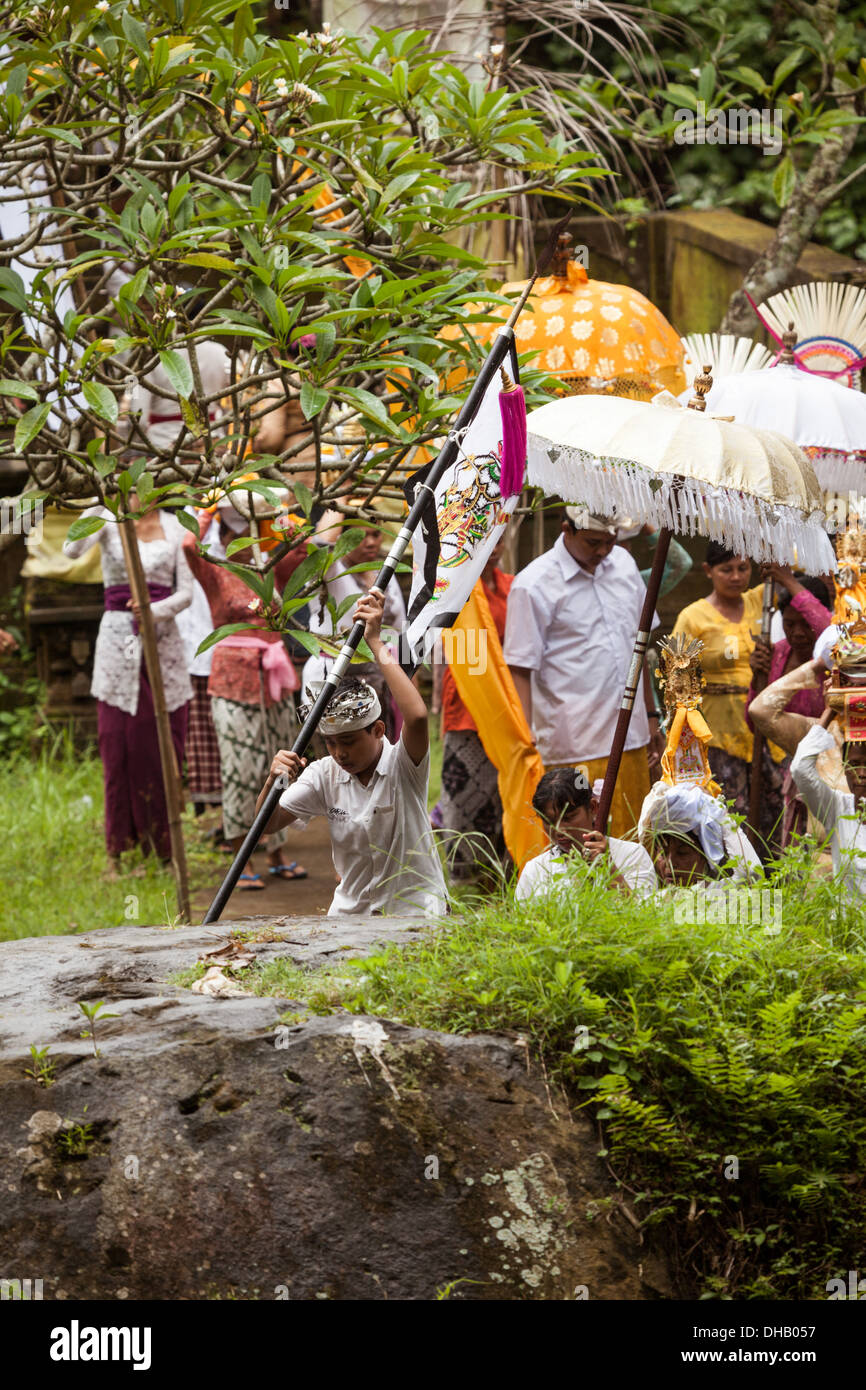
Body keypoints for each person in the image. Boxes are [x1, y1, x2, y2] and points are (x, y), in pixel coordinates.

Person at [257, 589, 447, 917]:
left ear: (378, 731)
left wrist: (375, 642)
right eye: (331, 743)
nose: (339, 753)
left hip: (415, 913)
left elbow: (416, 716)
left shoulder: (404, 765)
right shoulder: (323, 774)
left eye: (348, 742)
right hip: (350, 916)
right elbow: (265, 826)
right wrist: (273, 782)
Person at [504, 507, 665, 839]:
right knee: (580, 848)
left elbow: (639, 646)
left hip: (632, 738)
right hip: (574, 745)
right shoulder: (533, 584)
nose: (603, 551)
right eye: (593, 542)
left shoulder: (623, 565)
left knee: (636, 842)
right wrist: (525, 735)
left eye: (610, 541)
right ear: (567, 529)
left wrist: (651, 715)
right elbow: (519, 666)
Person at [182, 497, 308, 889]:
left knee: (282, 765)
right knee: (239, 770)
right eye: (241, 526)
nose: (248, 533)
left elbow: (302, 543)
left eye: (255, 526)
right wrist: (211, 506)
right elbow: (188, 545)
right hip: (232, 681)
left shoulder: (274, 570)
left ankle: (276, 852)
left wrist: (276, 504)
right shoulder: (217, 571)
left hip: (274, 681)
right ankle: (242, 857)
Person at [63, 498, 192, 873]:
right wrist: (93, 501)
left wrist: (155, 611)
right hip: (118, 642)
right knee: (116, 745)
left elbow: (186, 593)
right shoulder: (106, 518)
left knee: (155, 747)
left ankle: (163, 850)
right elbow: (71, 550)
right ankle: (117, 851)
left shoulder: (177, 525)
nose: (137, 492)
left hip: (161, 643)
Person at [671, 543, 786, 849]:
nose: (736, 577)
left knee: (775, 808)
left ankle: (778, 880)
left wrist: (764, 539)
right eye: (726, 570)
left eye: (743, 568)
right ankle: (737, 877)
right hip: (719, 729)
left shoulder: (762, 599)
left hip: (764, 720)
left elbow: (793, 566)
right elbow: (676, 678)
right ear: (708, 571)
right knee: (731, 811)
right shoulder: (692, 617)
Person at [439, 536, 513, 881]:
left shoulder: (513, 587)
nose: (492, 546)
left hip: (508, 710)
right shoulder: (452, 588)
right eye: (484, 537)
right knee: (464, 798)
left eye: (498, 538)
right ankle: (465, 881)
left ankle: (504, 877)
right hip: (466, 711)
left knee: (506, 796)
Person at [745, 569, 833, 845]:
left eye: (805, 624)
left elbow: (828, 629)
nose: (797, 633)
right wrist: (755, 678)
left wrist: (788, 581)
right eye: (789, 623)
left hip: (836, 763)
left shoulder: (838, 654)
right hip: (789, 766)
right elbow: (755, 720)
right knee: (793, 848)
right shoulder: (777, 653)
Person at [306, 522, 407, 739]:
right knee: (340, 752)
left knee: (380, 753)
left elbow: (400, 634)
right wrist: (343, 489)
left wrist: (407, 683)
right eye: (361, 536)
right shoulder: (330, 571)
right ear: (345, 539)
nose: (371, 542)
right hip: (335, 676)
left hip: (382, 679)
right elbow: (321, 544)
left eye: (376, 534)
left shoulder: (384, 572)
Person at [790, 634, 866, 899]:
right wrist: (832, 707)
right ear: (844, 768)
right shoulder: (837, 808)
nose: (862, 773)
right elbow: (800, 769)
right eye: (855, 764)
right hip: (845, 932)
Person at [515, 767, 656, 901]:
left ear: (593, 807)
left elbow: (645, 915)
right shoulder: (535, 871)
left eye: (568, 818)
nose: (559, 830)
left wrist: (608, 868)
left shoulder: (632, 855)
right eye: (549, 821)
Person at [638, 780, 761, 886]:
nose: (670, 863)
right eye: (663, 854)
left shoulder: (714, 894)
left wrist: (720, 814)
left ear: (705, 855)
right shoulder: (653, 899)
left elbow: (753, 875)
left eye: (682, 853)